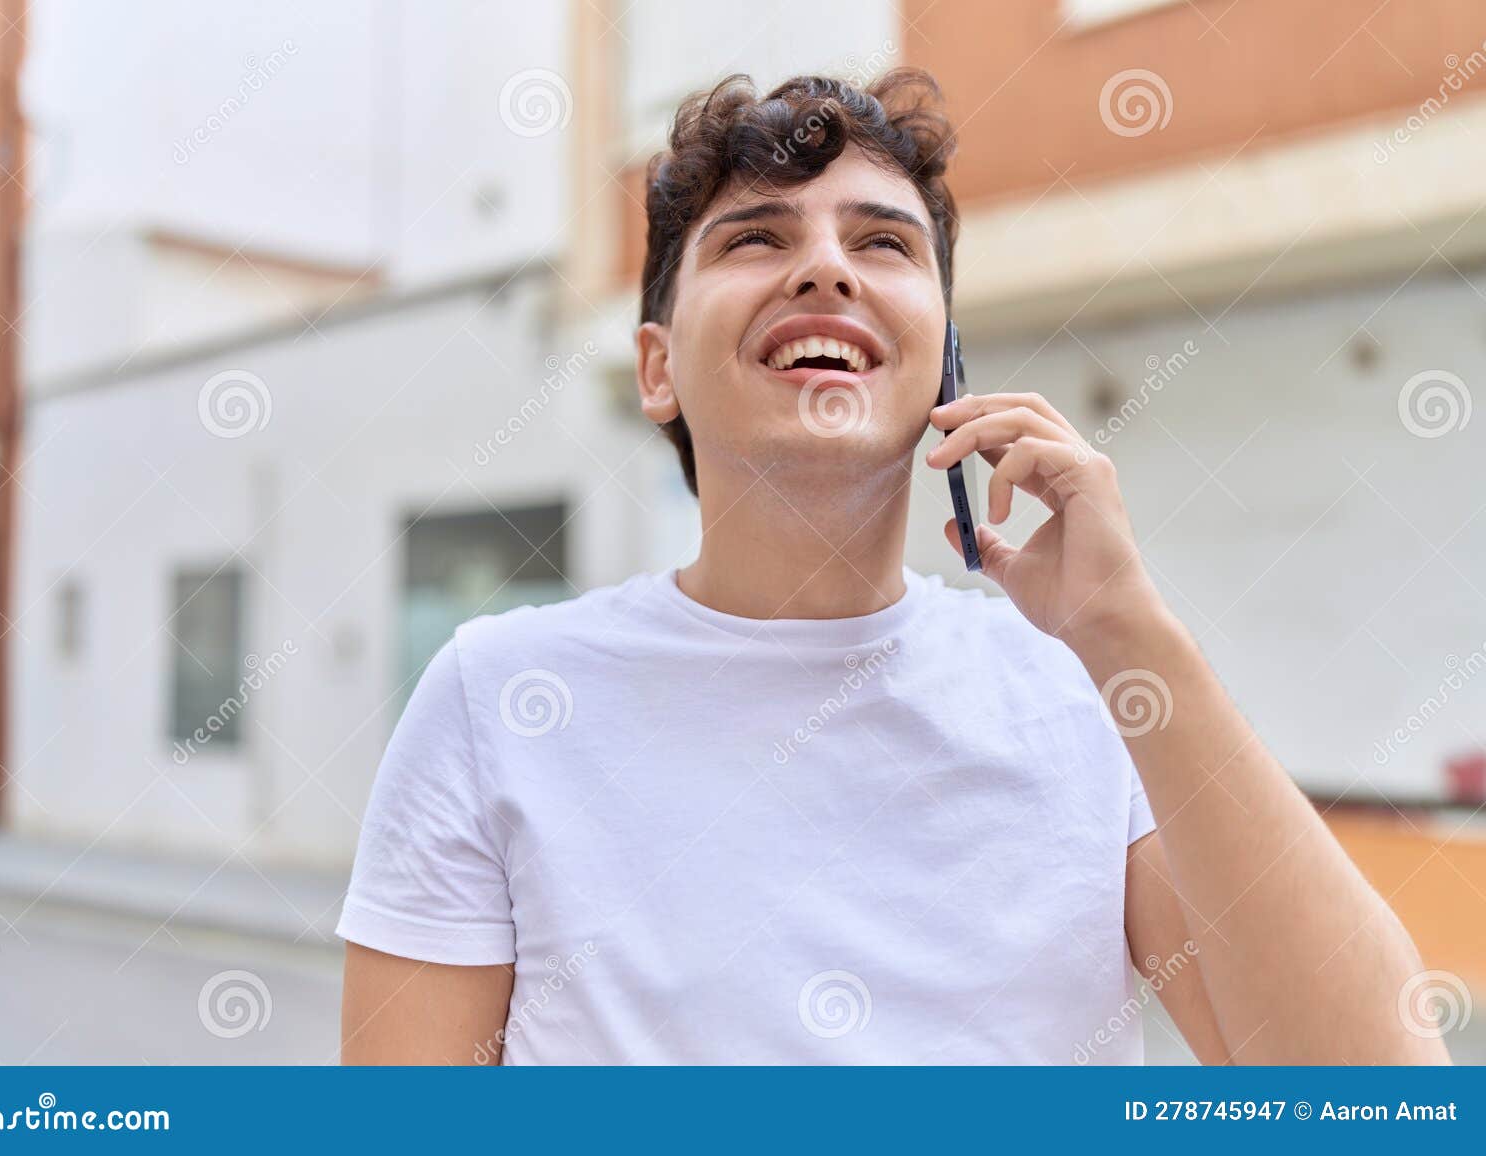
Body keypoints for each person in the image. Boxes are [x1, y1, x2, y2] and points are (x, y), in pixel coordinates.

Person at [338, 69, 1445, 1065]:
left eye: (882, 244)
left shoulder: (1080, 690)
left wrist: (1129, 633)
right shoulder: (497, 696)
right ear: (656, 367)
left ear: (944, 358)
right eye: (755, 239)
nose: (825, 267)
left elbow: (1374, 1097)